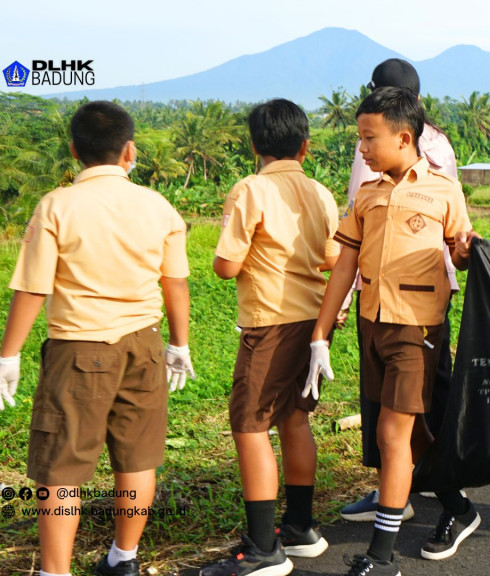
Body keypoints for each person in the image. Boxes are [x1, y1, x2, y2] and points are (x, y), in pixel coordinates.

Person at [0, 100, 193, 576]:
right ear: (129, 151)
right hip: (145, 344)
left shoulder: (57, 205)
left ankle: (54, 571)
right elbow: (175, 283)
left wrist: (7, 357)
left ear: (74, 149)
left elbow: (34, 286)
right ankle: (124, 558)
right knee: (137, 458)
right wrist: (179, 344)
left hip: (78, 349)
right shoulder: (158, 206)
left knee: (63, 468)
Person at [306, 87, 478, 576]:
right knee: (414, 434)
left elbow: (459, 254)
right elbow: (345, 265)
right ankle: (459, 507)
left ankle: (381, 557)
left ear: (404, 138)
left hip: (416, 326)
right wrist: (322, 332)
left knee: (390, 432)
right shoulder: (368, 194)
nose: (361, 149)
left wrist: (466, 250)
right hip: (372, 323)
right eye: (359, 138)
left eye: (368, 138)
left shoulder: (444, 190)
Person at [200, 99, 340, 576]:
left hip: (271, 322)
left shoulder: (250, 190)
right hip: (314, 324)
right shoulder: (320, 192)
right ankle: (300, 528)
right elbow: (331, 258)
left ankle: (263, 550)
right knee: (294, 419)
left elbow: (226, 266)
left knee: (250, 425)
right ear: (305, 146)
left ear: (255, 144)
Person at [339, 58, 461, 527]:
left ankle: (399, 492)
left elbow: (361, 220)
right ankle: (444, 488)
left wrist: (346, 298)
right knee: (429, 396)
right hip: (435, 293)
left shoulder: (376, 145)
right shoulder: (440, 141)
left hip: (388, 297)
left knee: (389, 411)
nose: (364, 145)